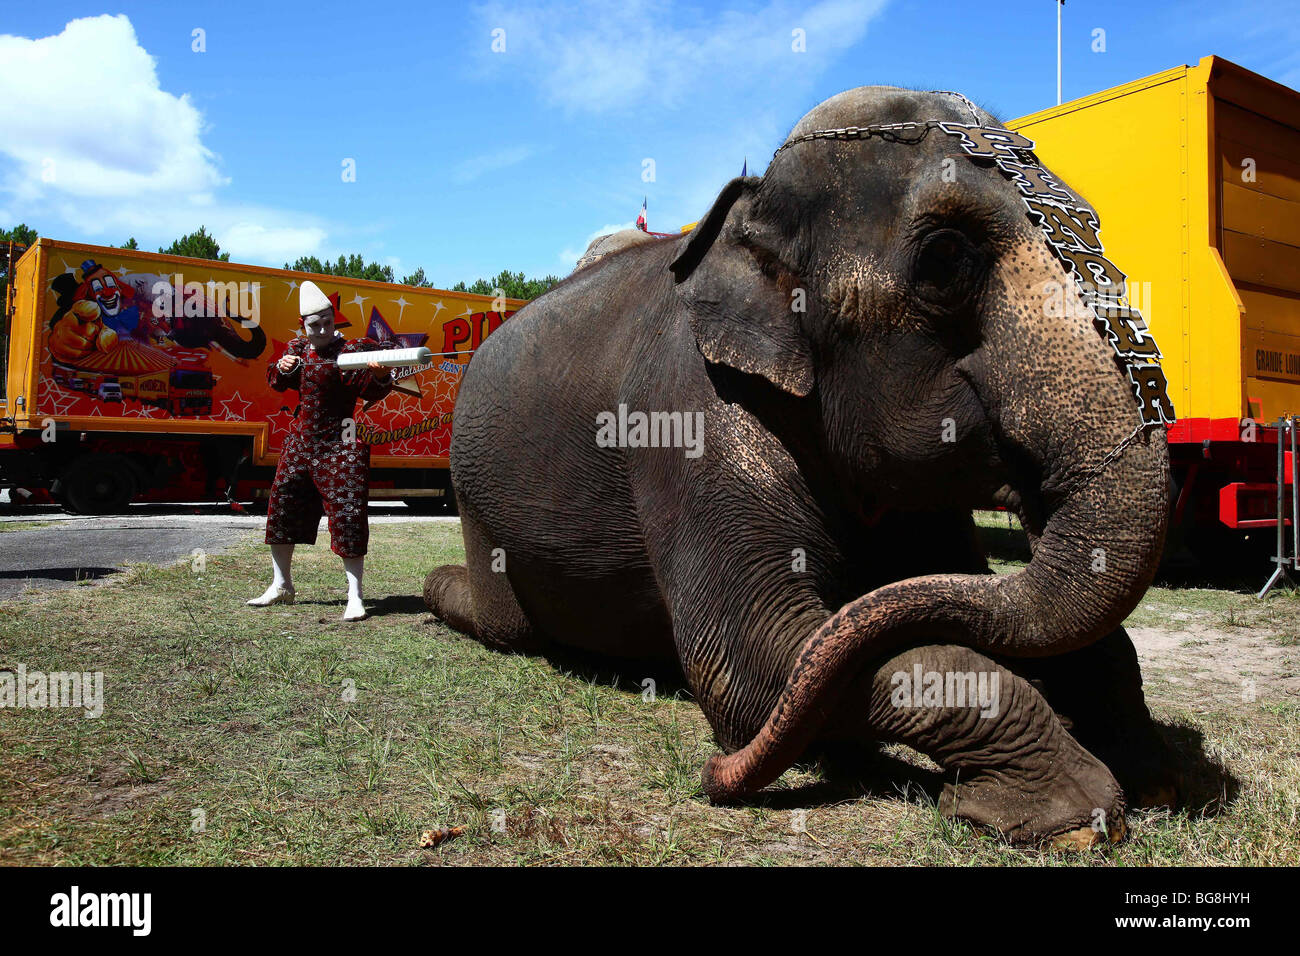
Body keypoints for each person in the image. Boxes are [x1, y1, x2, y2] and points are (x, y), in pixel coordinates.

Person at [248, 280, 394, 620]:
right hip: (300, 442)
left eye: (328, 320)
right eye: (316, 324)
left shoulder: (351, 352)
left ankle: (355, 596)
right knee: (281, 507)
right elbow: (275, 380)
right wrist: (282, 367)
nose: (325, 328)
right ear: (303, 325)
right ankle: (282, 585)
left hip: (340, 444)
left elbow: (370, 389)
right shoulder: (297, 350)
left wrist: (381, 376)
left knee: (348, 516)